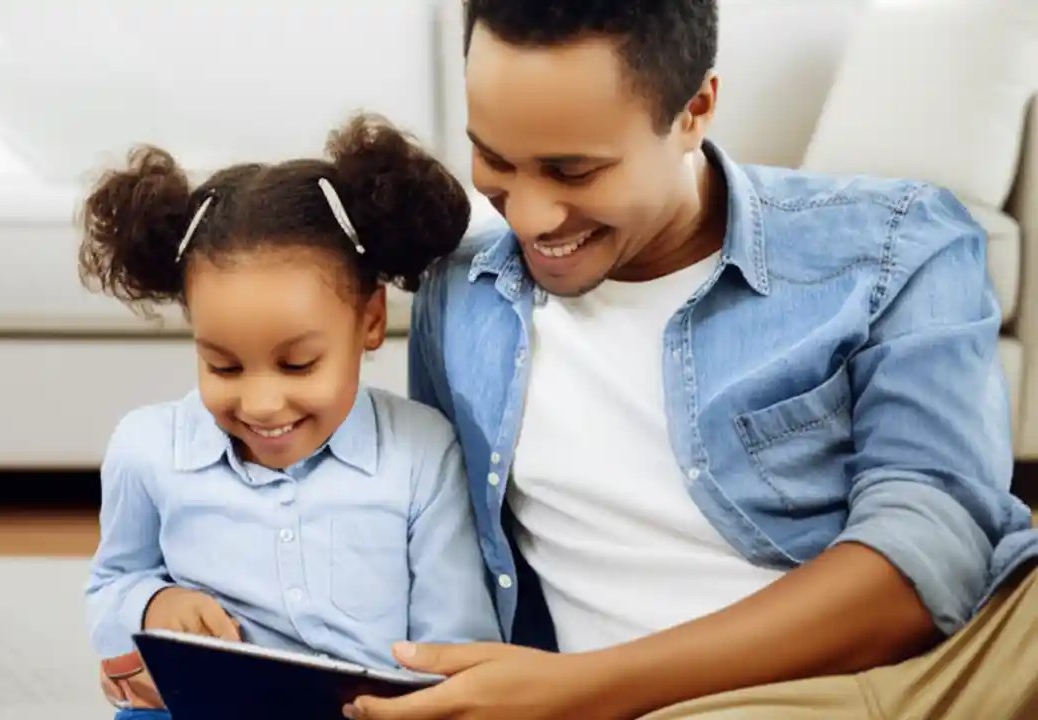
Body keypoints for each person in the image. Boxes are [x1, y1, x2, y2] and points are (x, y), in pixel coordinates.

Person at [344, 2, 1038, 719]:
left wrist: (575, 691)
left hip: (947, 674)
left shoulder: (893, 245)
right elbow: (422, 526)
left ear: (694, 110)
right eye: (494, 159)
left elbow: (930, 555)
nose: (528, 216)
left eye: (573, 170)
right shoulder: (462, 293)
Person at [77, 114, 501, 719]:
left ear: (371, 321)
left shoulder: (421, 453)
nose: (261, 404)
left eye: (298, 365)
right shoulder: (146, 450)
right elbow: (111, 585)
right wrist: (151, 604)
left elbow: (455, 640)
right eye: (223, 366)